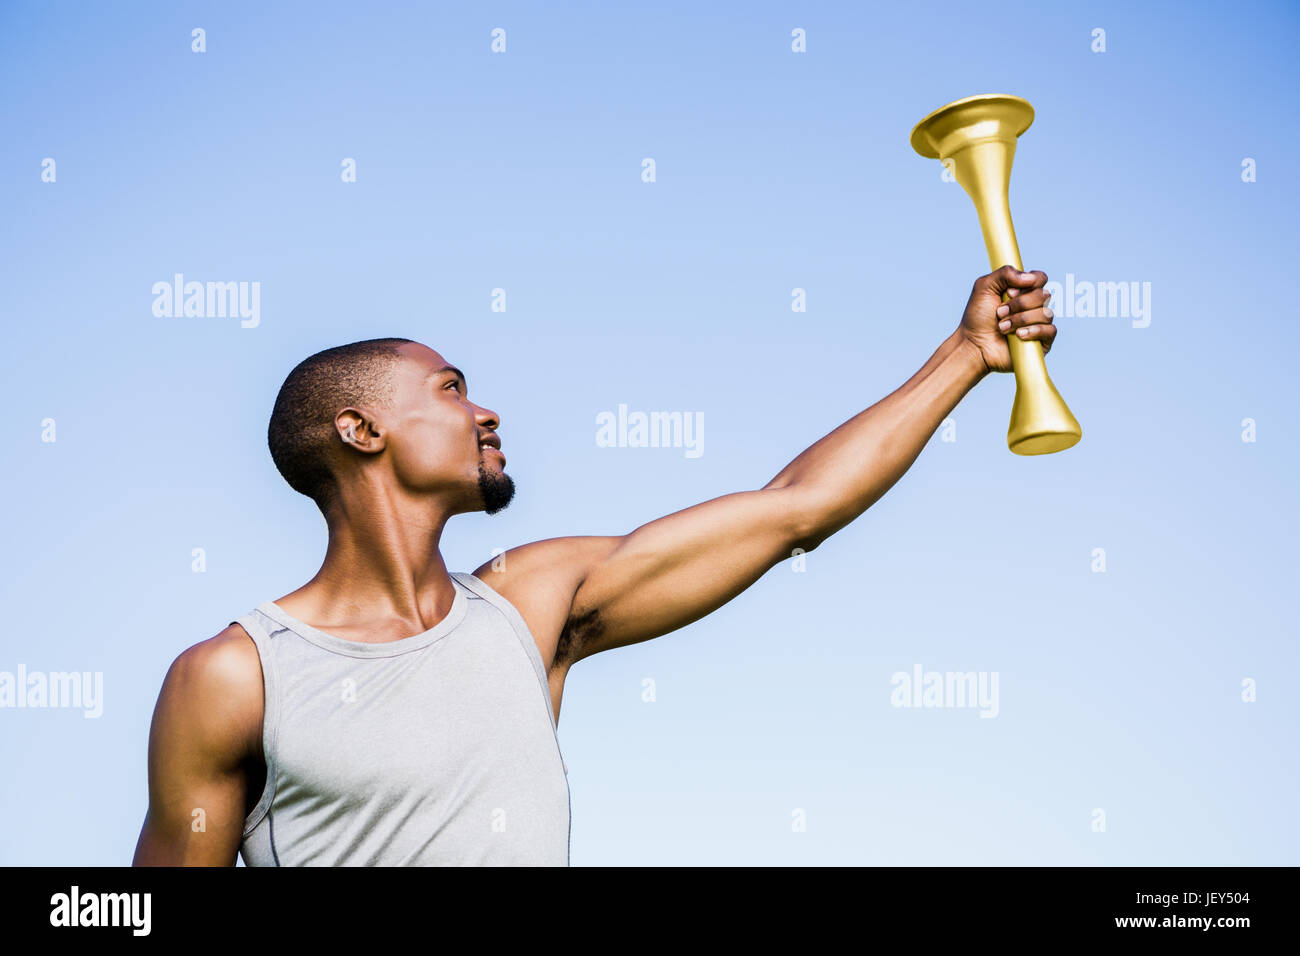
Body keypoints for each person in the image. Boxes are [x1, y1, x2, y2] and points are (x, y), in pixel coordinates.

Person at [131, 265, 1057, 866]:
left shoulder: (531, 605)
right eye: (451, 389)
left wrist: (967, 354)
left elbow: (795, 510)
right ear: (360, 430)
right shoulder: (237, 676)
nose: (486, 412)